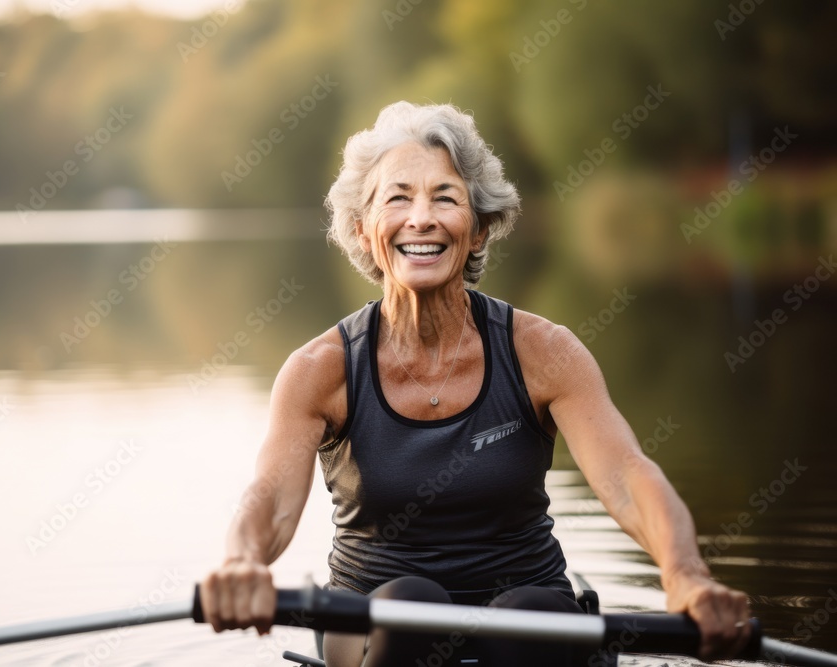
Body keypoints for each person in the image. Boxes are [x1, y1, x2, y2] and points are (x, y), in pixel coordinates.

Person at [199, 101, 752, 666]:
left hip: (530, 618)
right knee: (409, 604)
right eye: (398, 197)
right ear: (364, 232)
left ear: (480, 228)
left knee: (531, 617)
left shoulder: (545, 351)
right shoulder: (319, 369)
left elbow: (626, 476)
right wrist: (243, 560)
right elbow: (272, 499)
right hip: (374, 625)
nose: (421, 218)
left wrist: (685, 576)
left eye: (445, 197)